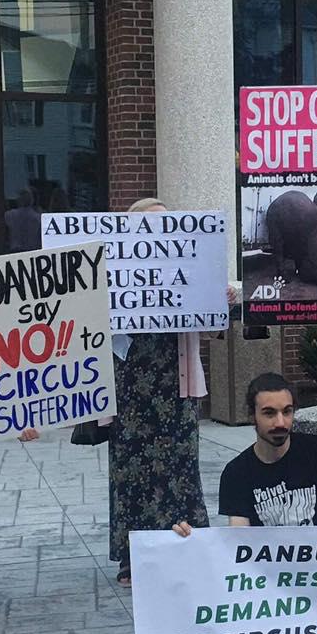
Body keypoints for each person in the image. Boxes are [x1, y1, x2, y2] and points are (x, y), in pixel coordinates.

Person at [108, 196, 219, 582]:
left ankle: (186, 543)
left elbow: (212, 329)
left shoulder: (187, 270)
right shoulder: (114, 272)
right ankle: (132, 554)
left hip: (176, 385)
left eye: (166, 225)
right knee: (131, 469)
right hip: (130, 386)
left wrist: (222, 302)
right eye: (151, 226)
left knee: (180, 465)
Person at [175, 372, 317, 531]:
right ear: (252, 416)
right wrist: (191, 540)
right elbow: (239, 541)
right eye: (269, 413)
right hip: (264, 564)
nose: (280, 422)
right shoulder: (236, 473)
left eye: (287, 411)